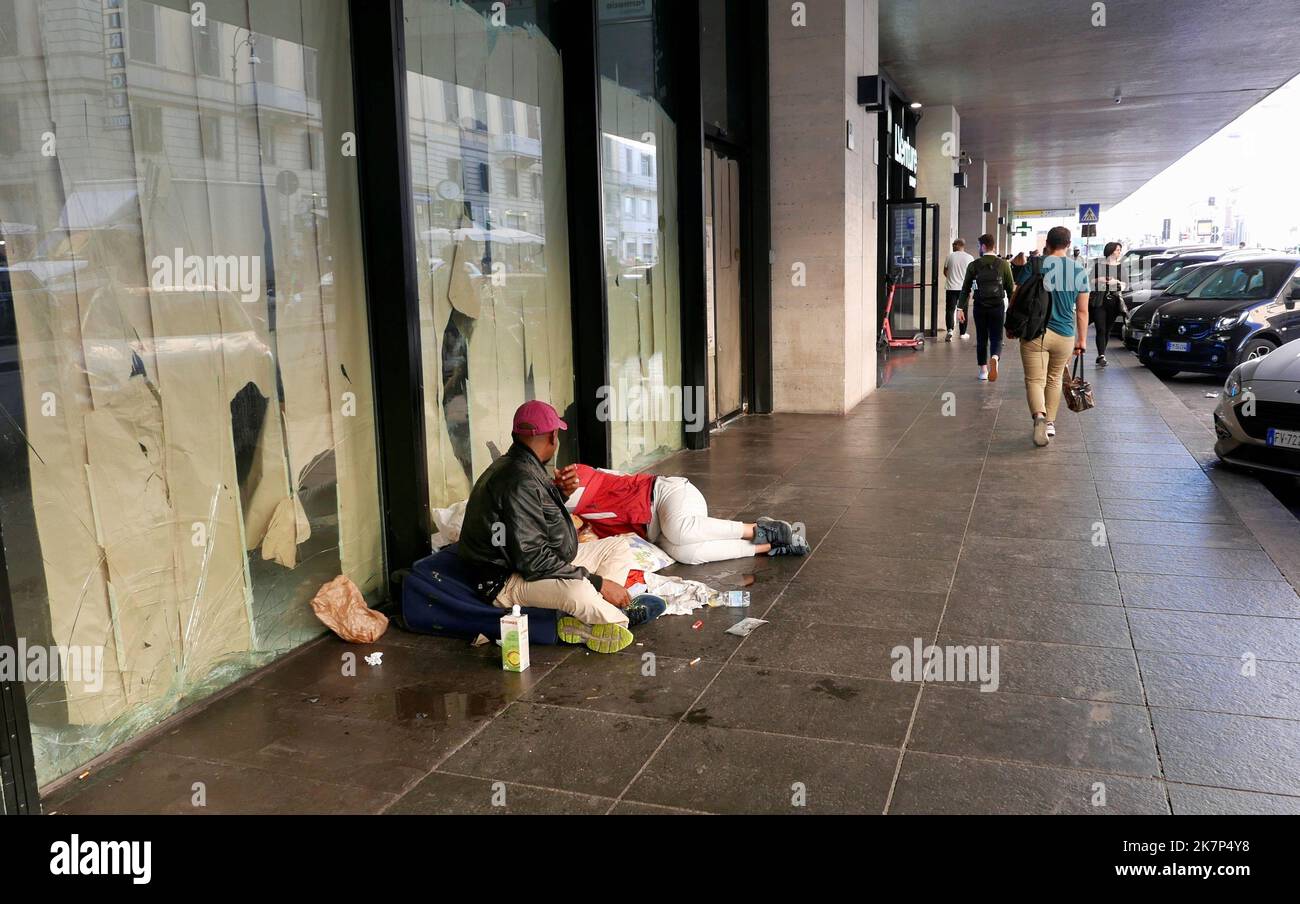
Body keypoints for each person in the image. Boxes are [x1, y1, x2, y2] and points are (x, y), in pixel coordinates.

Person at [458, 400, 664, 654]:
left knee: (618, 546)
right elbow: (531, 560)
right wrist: (598, 582)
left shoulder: (522, 465)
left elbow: (531, 521)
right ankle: (617, 620)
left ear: (515, 435)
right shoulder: (518, 478)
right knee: (580, 590)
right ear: (553, 437)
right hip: (506, 579)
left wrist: (560, 494)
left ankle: (592, 617)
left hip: (540, 560)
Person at [554, 464, 809, 565]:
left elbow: (565, 500)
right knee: (687, 554)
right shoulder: (575, 519)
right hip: (656, 531)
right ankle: (767, 546)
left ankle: (758, 529)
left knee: (680, 530)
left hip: (668, 495)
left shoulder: (576, 476)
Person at [1016, 226, 1090, 447]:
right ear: (1068, 244)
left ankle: (1038, 415)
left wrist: (1012, 325)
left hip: (1035, 333)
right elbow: (1083, 310)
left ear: (1047, 243)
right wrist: (1082, 340)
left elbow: (1017, 296)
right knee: (1054, 379)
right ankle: (1049, 423)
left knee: (1034, 380)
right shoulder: (1079, 271)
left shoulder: (1036, 265)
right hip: (1065, 335)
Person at [959, 233, 1016, 382]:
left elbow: (965, 288)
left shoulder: (974, 265)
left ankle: (983, 370)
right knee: (997, 337)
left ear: (983, 247)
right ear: (994, 246)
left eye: (979, 246)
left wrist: (960, 309)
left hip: (979, 306)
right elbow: (1011, 289)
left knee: (981, 337)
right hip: (997, 307)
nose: (979, 248)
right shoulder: (1003, 264)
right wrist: (1012, 310)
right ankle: (995, 357)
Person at [1089, 241, 1125, 366]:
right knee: (1100, 328)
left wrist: (1116, 283)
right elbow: (1089, 281)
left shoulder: (1121, 266)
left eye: (1120, 250)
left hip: (1114, 303)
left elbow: (1125, 285)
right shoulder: (1099, 266)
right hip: (1100, 301)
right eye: (1117, 250)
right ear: (1110, 251)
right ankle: (1101, 355)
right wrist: (1100, 279)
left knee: (1108, 330)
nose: (1119, 252)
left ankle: (1102, 353)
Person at [942, 239, 974, 341]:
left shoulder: (949, 256)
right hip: (964, 289)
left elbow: (945, 271)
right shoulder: (970, 258)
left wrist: (951, 278)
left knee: (950, 310)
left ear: (958, 245)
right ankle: (962, 333)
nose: (952, 246)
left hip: (951, 288)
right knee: (963, 310)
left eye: (953, 244)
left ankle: (950, 330)